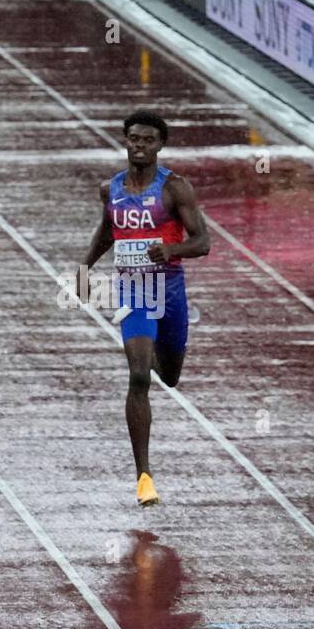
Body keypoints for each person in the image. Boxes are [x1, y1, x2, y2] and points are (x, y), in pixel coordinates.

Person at [78, 110, 210, 506]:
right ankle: (144, 476)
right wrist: (85, 267)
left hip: (168, 291)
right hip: (133, 291)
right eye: (133, 138)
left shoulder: (175, 189)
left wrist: (170, 249)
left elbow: (202, 241)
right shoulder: (111, 188)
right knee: (138, 377)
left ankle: (155, 350)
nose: (139, 145)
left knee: (168, 376)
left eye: (147, 140)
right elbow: (108, 229)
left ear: (159, 145)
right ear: (126, 140)